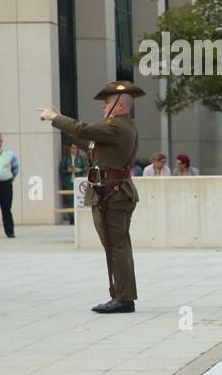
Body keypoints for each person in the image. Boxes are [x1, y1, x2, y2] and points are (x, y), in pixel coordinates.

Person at [38, 82, 143, 312]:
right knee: (118, 246)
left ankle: (123, 299)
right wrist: (65, 127)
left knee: (116, 247)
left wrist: (55, 117)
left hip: (112, 194)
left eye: (107, 103)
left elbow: (84, 129)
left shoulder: (117, 126)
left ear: (120, 106)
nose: (104, 107)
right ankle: (124, 295)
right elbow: (89, 141)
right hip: (113, 193)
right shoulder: (119, 128)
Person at [0, 132, 20, 238]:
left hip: (5, 184)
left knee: (6, 209)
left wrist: (9, 178)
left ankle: (10, 232)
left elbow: (15, 168)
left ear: (1, 142)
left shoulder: (9, 155)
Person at [60, 142, 88, 226]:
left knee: (79, 201)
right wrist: (68, 170)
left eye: (75, 148)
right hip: (69, 182)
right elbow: (61, 170)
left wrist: (79, 170)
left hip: (78, 182)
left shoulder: (81, 159)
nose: (73, 150)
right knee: (70, 201)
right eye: (72, 148)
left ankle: (78, 219)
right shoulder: (65, 159)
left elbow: (85, 169)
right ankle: (71, 219)